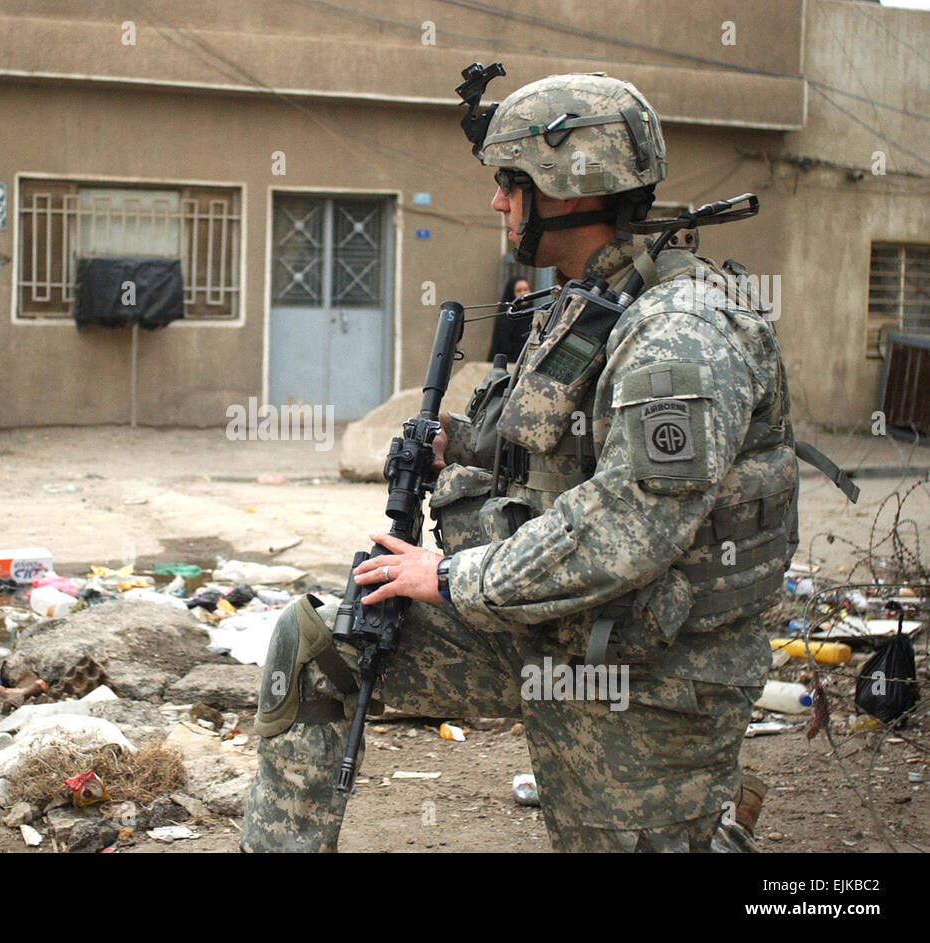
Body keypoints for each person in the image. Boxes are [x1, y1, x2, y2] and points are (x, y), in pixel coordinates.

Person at [241, 72, 801, 853]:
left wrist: (448, 577)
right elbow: (548, 434)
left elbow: (630, 524)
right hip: (551, 625)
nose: (500, 203)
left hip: (650, 665)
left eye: (512, 183)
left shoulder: (681, 335)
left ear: (569, 189)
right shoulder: (593, 297)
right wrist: (456, 440)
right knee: (317, 650)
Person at [486, 275, 531, 362]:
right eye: (519, 291)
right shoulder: (506, 315)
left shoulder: (533, 313)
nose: (523, 293)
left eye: (526, 290)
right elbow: (502, 345)